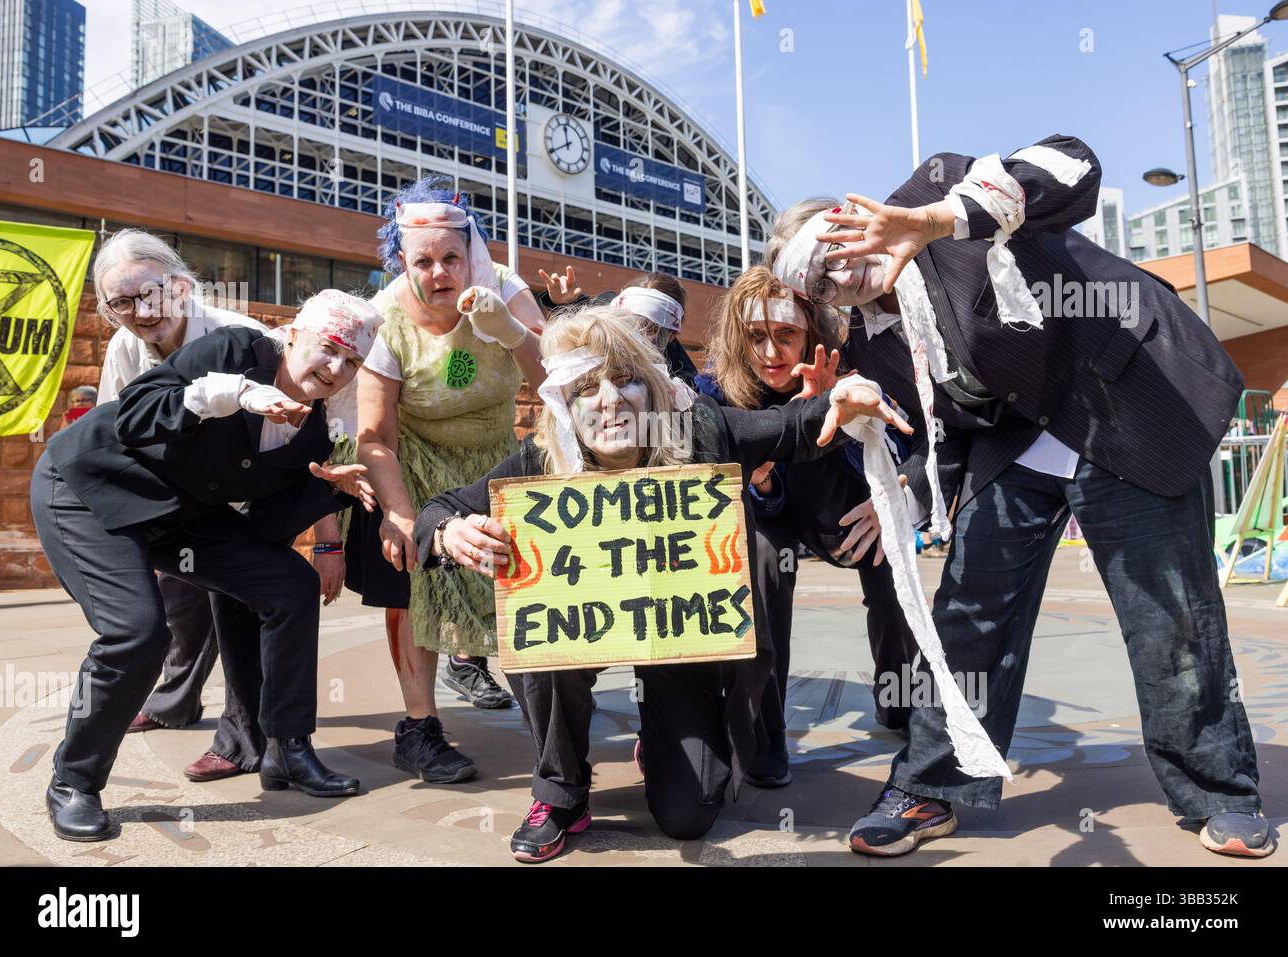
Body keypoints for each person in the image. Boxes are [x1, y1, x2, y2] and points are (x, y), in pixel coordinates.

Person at [777, 134, 1272, 859]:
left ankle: (1219, 790)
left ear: (859, 215)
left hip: (1122, 396)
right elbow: (929, 435)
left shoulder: (939, 190)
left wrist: (939, 219)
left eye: (837, 249)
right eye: (815, 279)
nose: (836, 276)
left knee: (1171, 616)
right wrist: (883, 451)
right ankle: (929, 785)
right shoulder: (867, 344)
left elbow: (1074, 163)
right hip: (1019, 440)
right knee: (968, 612)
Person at [411, 303, 912, 862]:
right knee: (540, 650)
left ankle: (662, 745)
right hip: (577, 635)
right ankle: (561, 793)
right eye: (586, 389)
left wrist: (839, 403)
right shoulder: (541, 456)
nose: (609, 402)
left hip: (677, 640)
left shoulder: (703, 429)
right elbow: (439, 509)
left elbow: (791, 426)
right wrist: (451, 532)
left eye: (625, 382)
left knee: (689, 816)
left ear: (650, 390)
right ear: (563, 403)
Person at [32, 289, 380, 841]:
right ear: (294, 335)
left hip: (181, 520)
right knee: (137, 634)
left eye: (353, 360)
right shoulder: (235, 350)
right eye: (329, 347)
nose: (337, 368)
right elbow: (136, 414)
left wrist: (328, 493)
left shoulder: (313, 430)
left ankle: (286, 747)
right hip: (89, 490)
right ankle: (74, 780)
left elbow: (264, 533)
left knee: (288, 582)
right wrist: (234, 396)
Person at [87, 230, 306, 787]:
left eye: (152, 293)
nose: (141, 311)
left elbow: (303, 439)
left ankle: (244, 740)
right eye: (122, 303)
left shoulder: (248, 341)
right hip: (178, 492)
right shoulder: (125, 347)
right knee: (177, 600)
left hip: (251, 492)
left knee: (238, 608)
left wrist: (325, 536)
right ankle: (175, 701)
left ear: (182, 288)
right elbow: (118, 429)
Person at [351, 179, 547, 784]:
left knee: (522, 583)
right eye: (423, 261)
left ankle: (553, 722)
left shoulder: (505, 289)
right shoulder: (384, 320)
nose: (440, 272)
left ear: (472, 253)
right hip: (413, 461)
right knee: (416, 586)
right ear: (401, 264)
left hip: (494, 458)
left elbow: (559, 385)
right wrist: (401, 514)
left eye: (451, 258)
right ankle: (419, 728)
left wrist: (512, 333)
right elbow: (375, 435)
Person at [697, 265, 917, 788]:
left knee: (886, 565)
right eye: (756, 337)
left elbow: (905, 439)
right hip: (765, 519)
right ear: (735, 337)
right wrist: (762, 485)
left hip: (837, 509)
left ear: (809, 332)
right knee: (765, 569)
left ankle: (900, 701)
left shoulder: (850, 369)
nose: (772, 353)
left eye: (786, 335)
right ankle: (765, 737)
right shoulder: (711, 391)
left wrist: (887, 487)